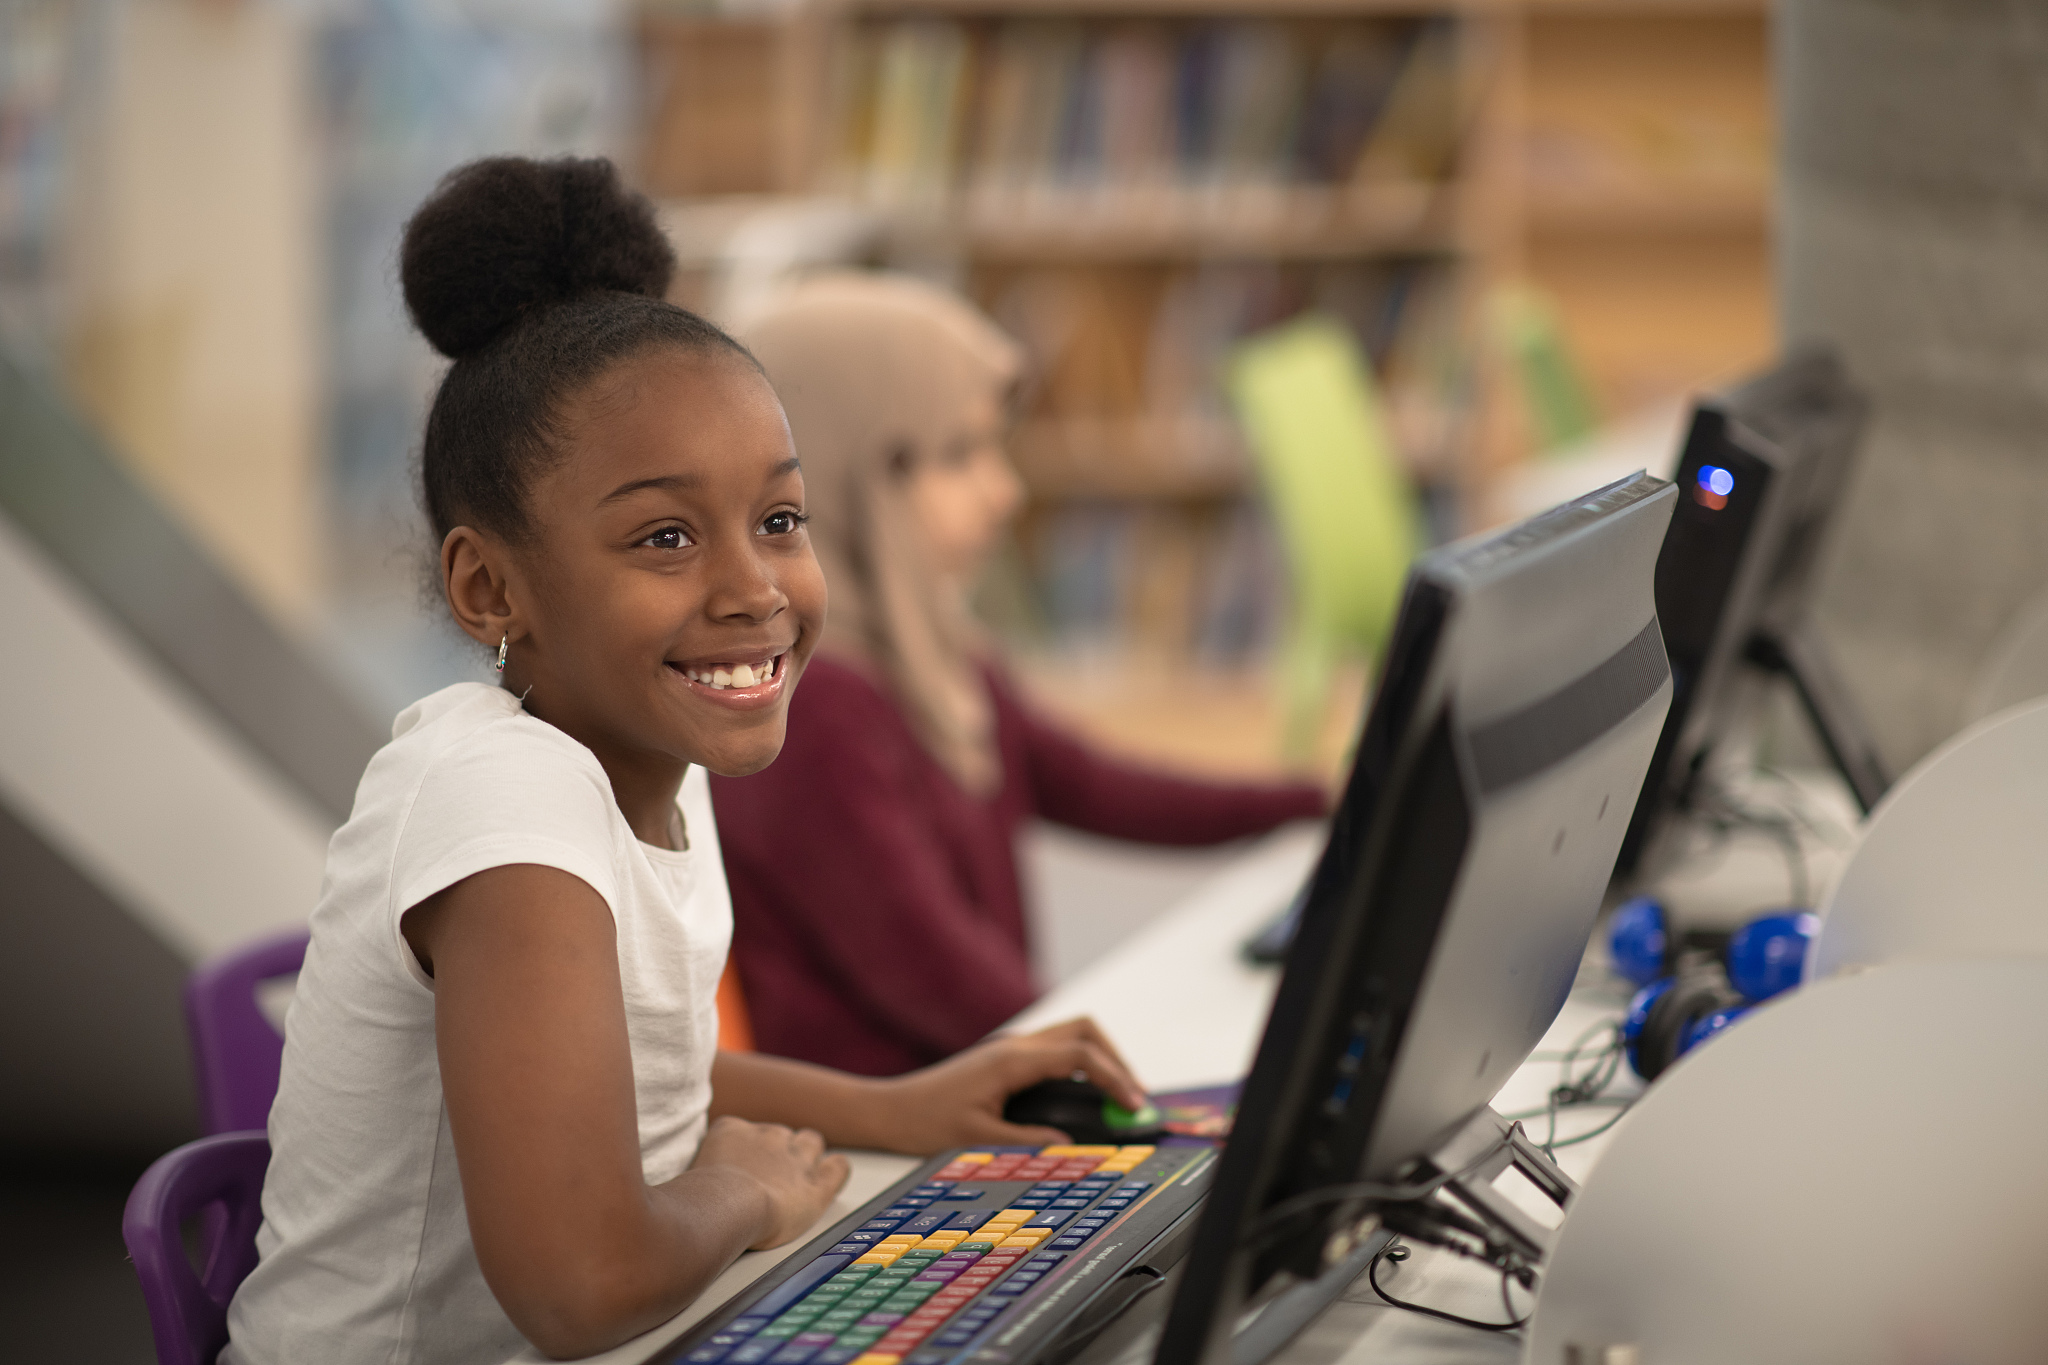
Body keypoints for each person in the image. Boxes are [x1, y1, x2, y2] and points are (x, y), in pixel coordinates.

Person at [222, 158, 1147, 1365]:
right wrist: (744, 1197)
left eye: (778, 520)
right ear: (489, 587)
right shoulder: (504, 797)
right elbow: (581, 1283)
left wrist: (906, 1108)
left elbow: (656, 1076)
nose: (754, 589)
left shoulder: (648, 759)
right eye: (665, 536)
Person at [710, 275, 1328, 1079]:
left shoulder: (935, 650)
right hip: (890, 1142)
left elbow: (1095, 784)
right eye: (961, 454)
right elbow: (939, 975)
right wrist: (1120, 1067)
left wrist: (1314, 799)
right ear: (844, 474)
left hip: (982, 1077)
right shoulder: (809, 709)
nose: (1006, 490)